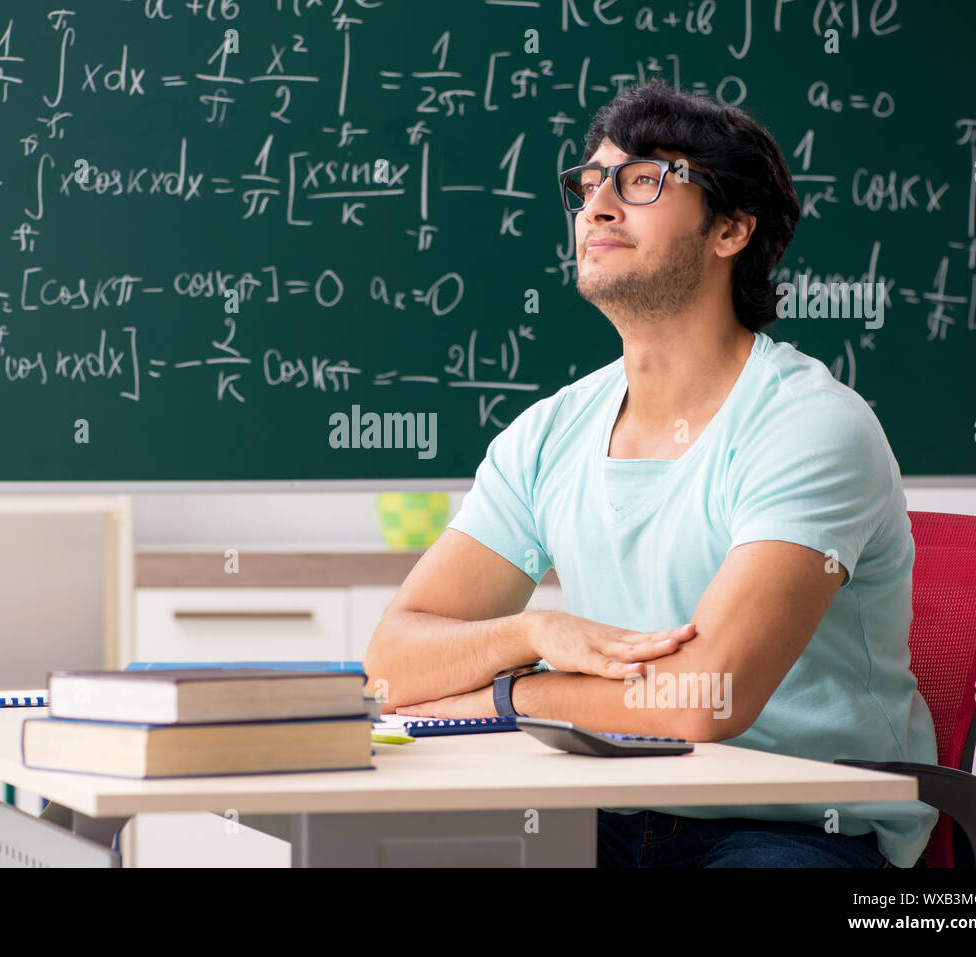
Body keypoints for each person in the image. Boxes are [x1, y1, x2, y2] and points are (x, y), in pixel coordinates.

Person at [362, 79, 936, 868]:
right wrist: (533, 631)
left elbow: (706, 699)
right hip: (596, 806)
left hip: (791, 824)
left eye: (642, 180)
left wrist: (507, 695)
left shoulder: (810, 426)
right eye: (590, 181)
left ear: (731, 228)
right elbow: (392, 664)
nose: (597, 205)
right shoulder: (549, 433)